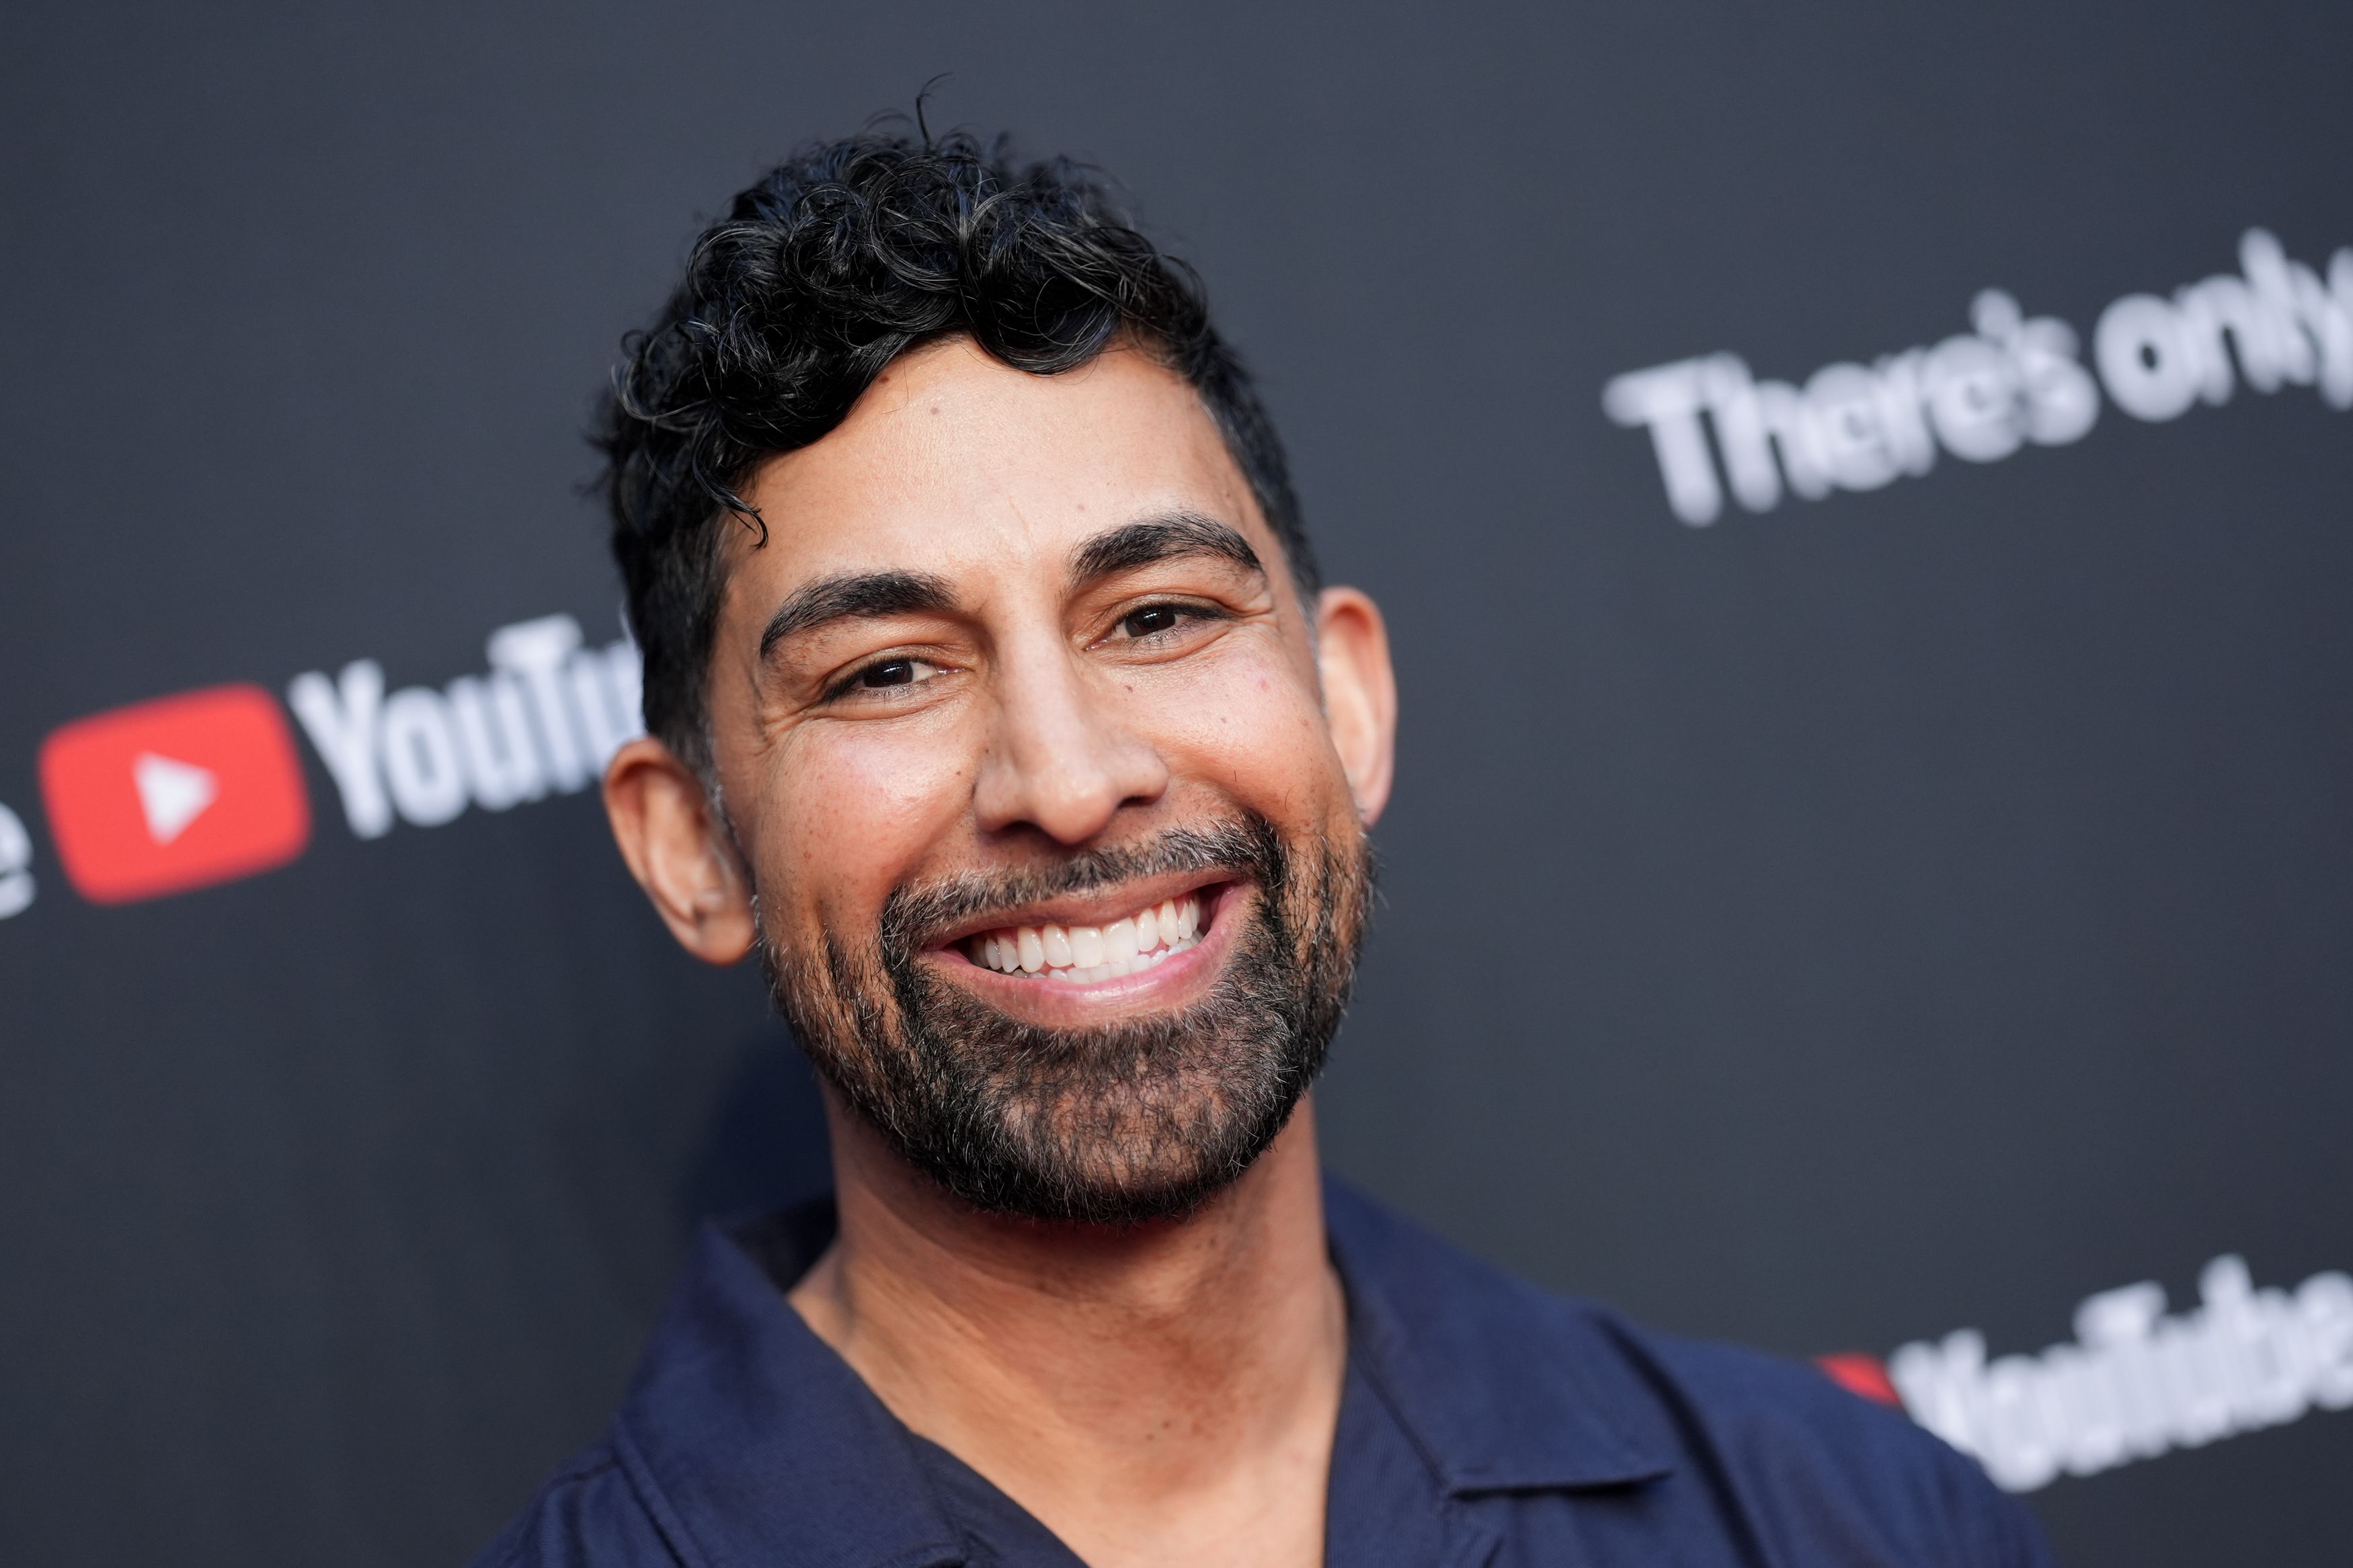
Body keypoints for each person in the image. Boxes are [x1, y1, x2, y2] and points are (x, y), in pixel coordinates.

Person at [476, 126, 2051, 1568]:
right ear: (691, 848)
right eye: (889, 670)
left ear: (1346, 703)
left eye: (1157, 616)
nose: (1068, 781)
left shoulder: (1851, 1526)